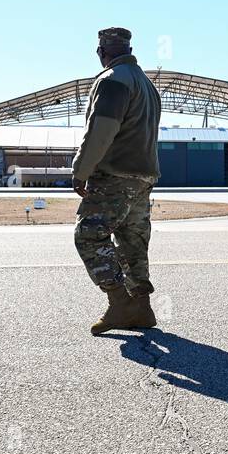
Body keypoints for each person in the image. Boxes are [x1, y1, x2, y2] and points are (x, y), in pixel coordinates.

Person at [73, 26, 163, 335]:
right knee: (132, 242)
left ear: (102, 52)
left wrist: (81, 169)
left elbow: (102, 130)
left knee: (89, 235)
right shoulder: (148, 86)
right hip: (143, 176)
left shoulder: (113, 81)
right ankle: (141, 307)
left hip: (114, 175)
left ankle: (119, 302)